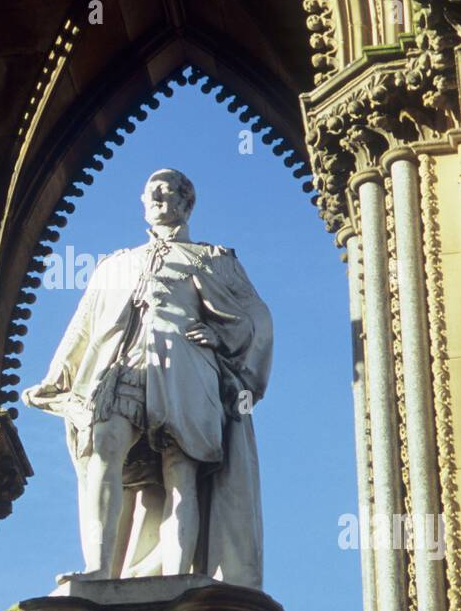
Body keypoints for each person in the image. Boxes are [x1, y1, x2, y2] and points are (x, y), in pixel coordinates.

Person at [22, 168, 273, 587]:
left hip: (186, 369)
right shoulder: (115, 264)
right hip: (122, 368)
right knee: (103, 450)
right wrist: (58, 376)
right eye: (151, 190)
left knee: (181, 470)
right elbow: (83, 326)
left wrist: (219, 337)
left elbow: (256, 318)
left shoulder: (211, 258)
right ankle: (100, 569)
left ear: (186, 202)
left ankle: (176, 577)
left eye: (168, 189)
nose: (158, 195)